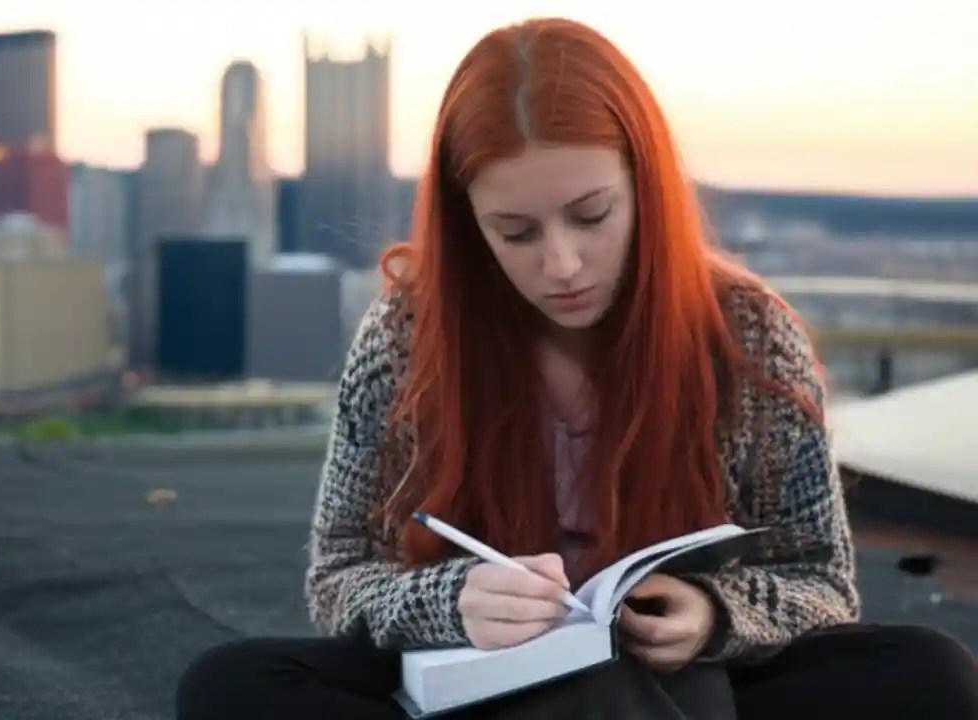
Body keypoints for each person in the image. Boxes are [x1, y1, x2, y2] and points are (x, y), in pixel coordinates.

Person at [176, 16, 978, 720]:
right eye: (515, 232)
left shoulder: (751, 334)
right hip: (475, 686)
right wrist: (449, 601)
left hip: (689, 686)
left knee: (928, 672)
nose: (561, 264)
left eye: (592, 216)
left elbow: (823, 584)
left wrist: (711, 614)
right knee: (229, 685)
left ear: (645, 188)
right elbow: (340, 577)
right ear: (467, 224)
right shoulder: (406, 336)